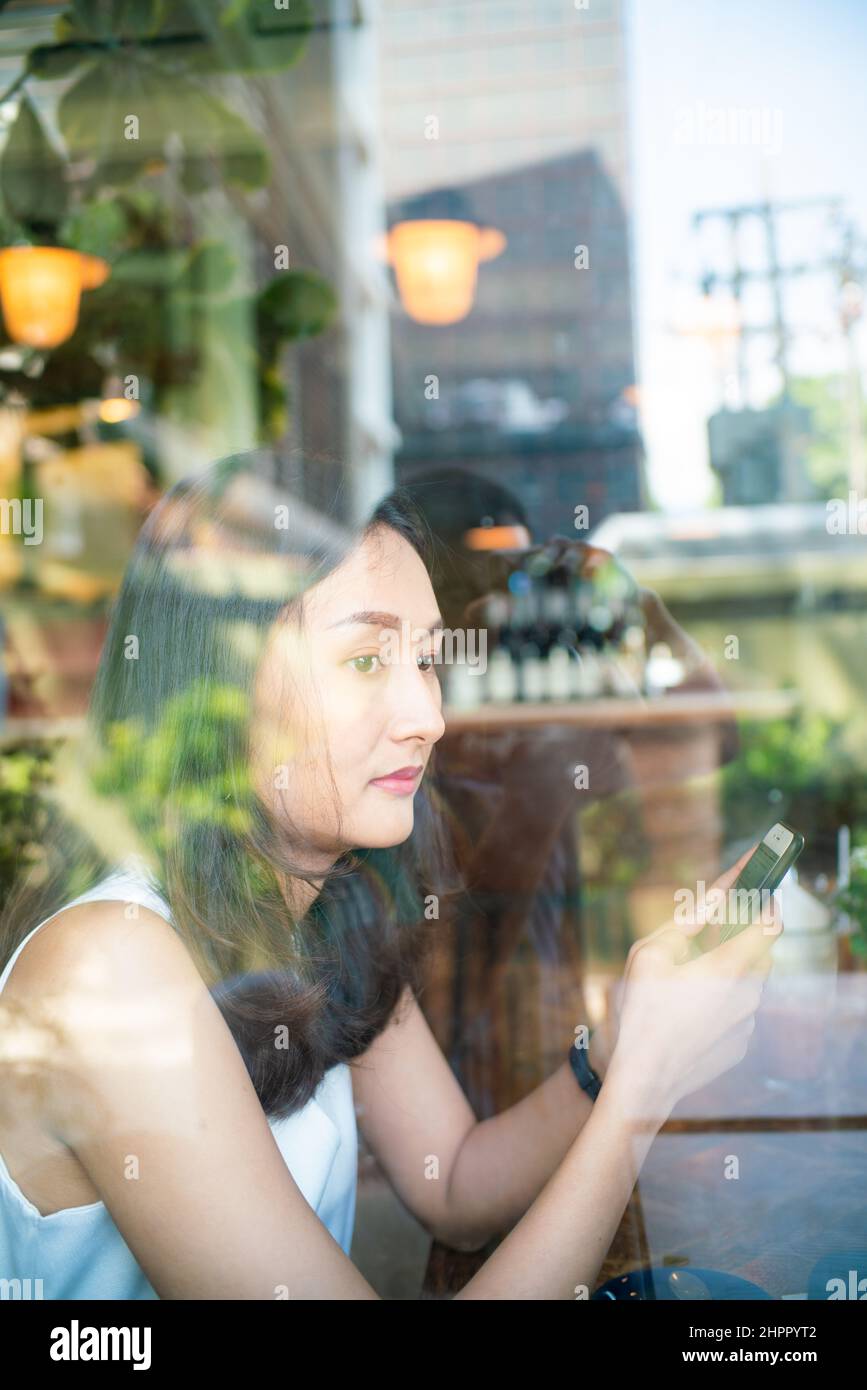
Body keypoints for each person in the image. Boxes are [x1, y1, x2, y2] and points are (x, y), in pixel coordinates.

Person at [0, 447, 779, 1300]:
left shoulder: (327, 907)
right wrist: (645, 1088)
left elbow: (456, 1191)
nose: (429, 717)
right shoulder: (111, 966)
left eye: (426, 659)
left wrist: (612, 1052)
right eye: (367, 659)